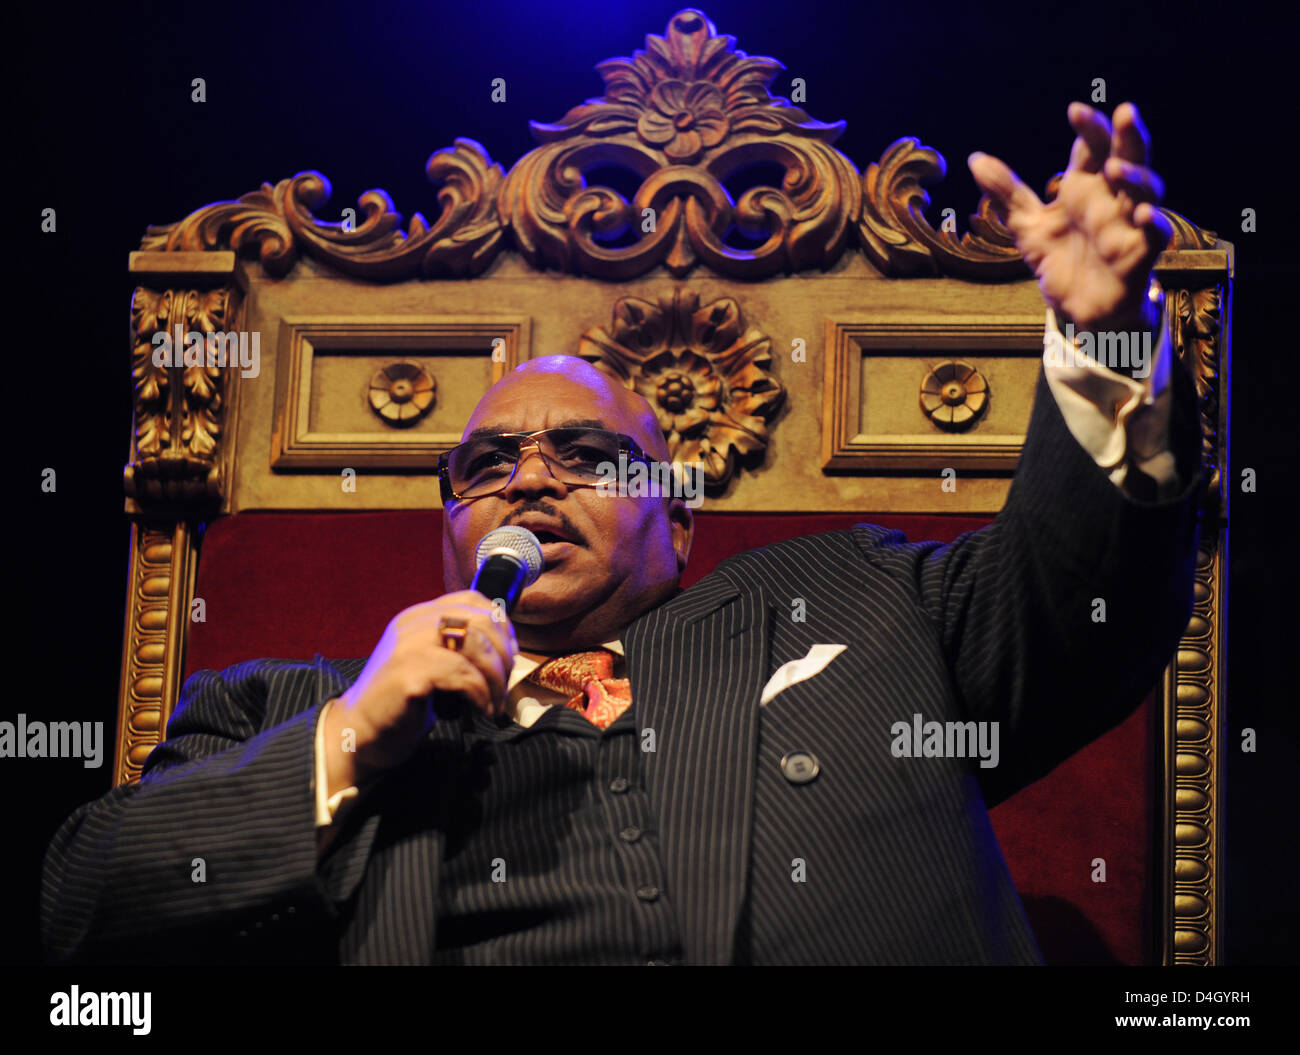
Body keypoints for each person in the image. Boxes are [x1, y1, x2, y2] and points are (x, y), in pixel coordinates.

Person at [41, 101, 1202, 964]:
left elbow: (1081, 605)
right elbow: (82, 906)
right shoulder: (279, 709)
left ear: (678, 514)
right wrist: (346, 743)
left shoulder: (862, 599)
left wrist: (1104, 346)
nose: (529, 481)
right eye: (486, 466)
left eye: (586, 458)